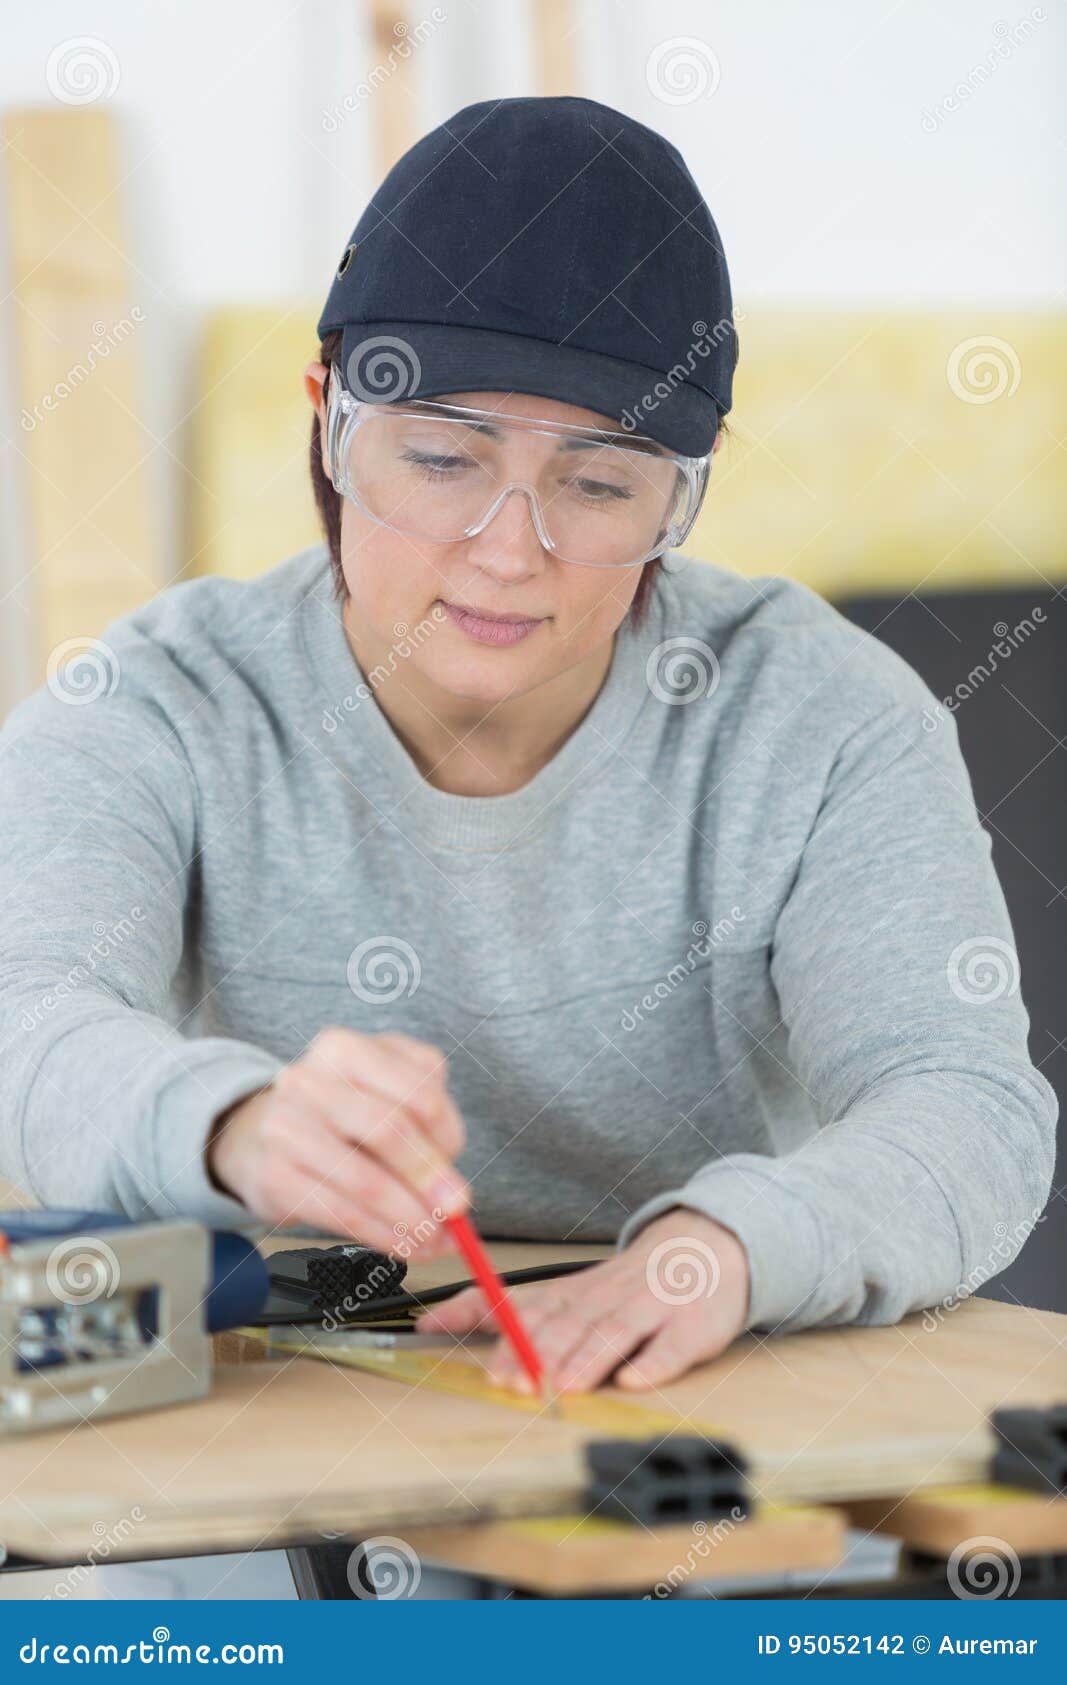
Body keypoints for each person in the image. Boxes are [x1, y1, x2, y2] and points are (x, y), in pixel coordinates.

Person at [0, 97, 1054, 1399]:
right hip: (284, 1389)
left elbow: (969, 1108)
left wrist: (726, 1249)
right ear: (330, 420)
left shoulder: (828, 720)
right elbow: (26, 1018)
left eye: (600, 485)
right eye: (442, 460)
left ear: (690, 484)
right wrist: (234, 1126)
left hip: (691, 1385)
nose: (510, 549)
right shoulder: (158, 703)